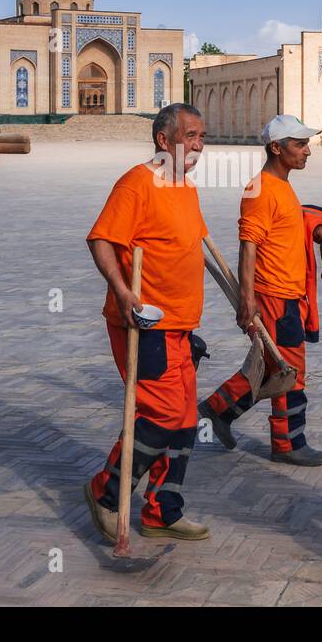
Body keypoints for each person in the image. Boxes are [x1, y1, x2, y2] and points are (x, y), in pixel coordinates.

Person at [83, 104, 213, 542]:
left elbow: (197, 247)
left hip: (180, 326)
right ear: (163, 139)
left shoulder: (186, 188)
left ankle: (163, 510)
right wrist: (123, 293)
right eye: (190, 136)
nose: (198, 145)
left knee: (184, 420)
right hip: (144, 323)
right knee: (160, 416)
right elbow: (102, 239)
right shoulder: (137, 183)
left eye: (202, 137)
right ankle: (105, 492)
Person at [198, 114, 322, 466]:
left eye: (307, 143)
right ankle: (287, 443)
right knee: (289, 371)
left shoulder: (281, 185)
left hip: (290, 295)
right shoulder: (260, 189)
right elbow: (248, 246)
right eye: (299, 144)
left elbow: (289, 223)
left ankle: (217, 409)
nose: (307, 151)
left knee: (272, 366)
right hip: (274, 297)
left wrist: (317, 230)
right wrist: (247, 301)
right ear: (276, 148)